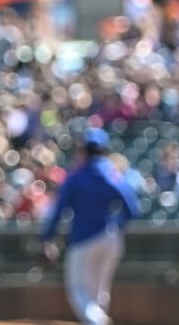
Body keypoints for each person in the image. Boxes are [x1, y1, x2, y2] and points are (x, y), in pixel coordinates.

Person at [40, 128, 139, 325]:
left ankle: (99, 322)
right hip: (111, 238)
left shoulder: (77, 177)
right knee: (99, 290)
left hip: (84, 238)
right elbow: (132, 207)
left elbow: (59, 211)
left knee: (79, 289)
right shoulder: (112, 174)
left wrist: (47, 238)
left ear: (83, 151)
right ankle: (99, 319)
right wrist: (116, 224)